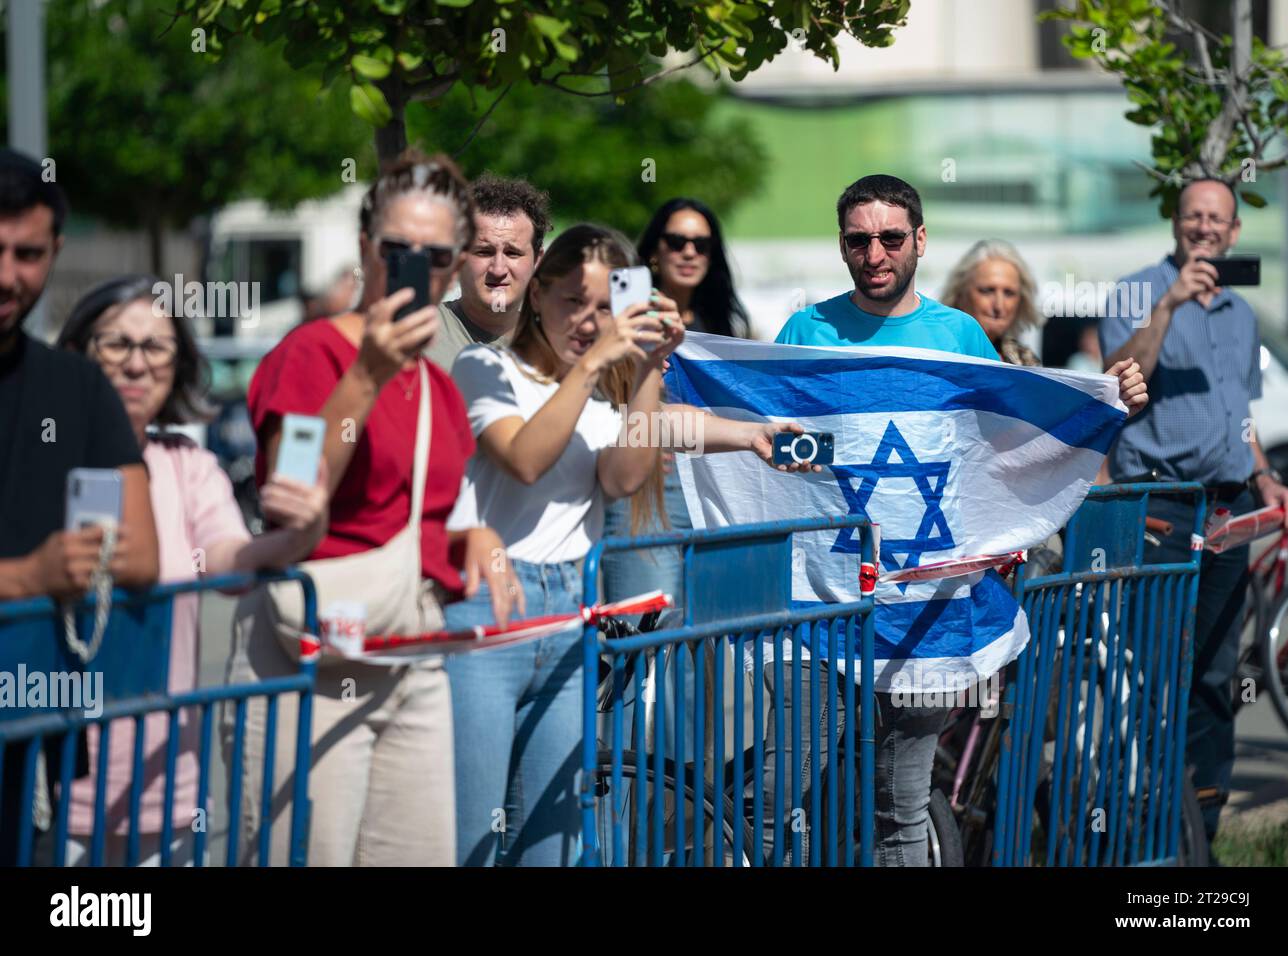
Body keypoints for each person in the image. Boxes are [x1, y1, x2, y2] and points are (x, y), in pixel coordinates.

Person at [772, 174, 1147, 866]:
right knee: (779, 799)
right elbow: (775, 442)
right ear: (843, 246)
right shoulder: (806, 330)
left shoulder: (958, 335)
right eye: (858, 240)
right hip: (823, 610)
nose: (875, 253)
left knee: (901, 811)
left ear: (919, 240)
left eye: (890, 237)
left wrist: (1107, 398)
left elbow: (1011, 444)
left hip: (927, 614)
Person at [445, 223, 810, 866]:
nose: (590, 322)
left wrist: (743, 430)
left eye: (606, 308)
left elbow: (625, 472)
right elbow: (526, 458)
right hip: (488, 614)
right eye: (572, 303)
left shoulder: (594, 392)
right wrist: (595, 362)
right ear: (537, 295)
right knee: (472, 834)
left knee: (548, 843)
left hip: (567, 616)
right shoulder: (484, 367)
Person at [227, 150, 518, 866]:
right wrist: (364, 378)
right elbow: (290, 495)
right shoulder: (312, 353)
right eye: (397, 251)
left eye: (436, 256)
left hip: (411, 655)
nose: (413, 268)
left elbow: (414, 513)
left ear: (453, 268)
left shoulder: (441, 386)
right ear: (365, 249)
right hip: (314, 661)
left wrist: (468, 539)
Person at [54, 276, 329, 865]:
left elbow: (228, 558)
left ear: (176, 366)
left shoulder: (189, 465)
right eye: (116, 344)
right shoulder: (40, 454)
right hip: (48, 774)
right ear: (79, 352)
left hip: (164, 771)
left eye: (155, 347)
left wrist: (295, 535)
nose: (135, 364)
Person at [1098, 176, 1288, 851]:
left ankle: (1199, 837)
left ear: (1234, 232)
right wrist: (1168, 305)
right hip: (1158, 505)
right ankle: (1148, 834)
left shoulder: (1242, 314)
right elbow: (1117, 384)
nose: (1205, 228)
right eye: (1194, 216)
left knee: (1215, 677)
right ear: (1176, 224)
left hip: (1228, 507)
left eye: (1217, 218)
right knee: (1157, 676)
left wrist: (1266, 478)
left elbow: (1236, 417)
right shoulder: (1134, 291)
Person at [0, 150, 160, 865]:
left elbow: (146, 557)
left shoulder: (79, 387)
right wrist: (28, 577)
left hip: (32, 719)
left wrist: (105, 559)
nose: (7, 276)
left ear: (55, 251)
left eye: (27, 254)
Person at [602, 198, 751, 603]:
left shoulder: (730, 328)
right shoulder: (624, 323)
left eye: (701, 245)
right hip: (648, 488)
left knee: (708, 643)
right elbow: (602, 405)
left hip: (714, 489)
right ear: (654, 251)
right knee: (649, 631)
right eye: (677, 241)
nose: (689, 252)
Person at [425, 174, 552, 372]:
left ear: (537, 260)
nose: (498, 269)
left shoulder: (559, 346)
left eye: (512, 253)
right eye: (484, 252)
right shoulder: (420, 335)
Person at [939, 238, 1044, 366]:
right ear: (960, 295)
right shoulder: (937, 352)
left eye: (1009, 293)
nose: (999, 305)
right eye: (987, 291)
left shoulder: (1026, 362)